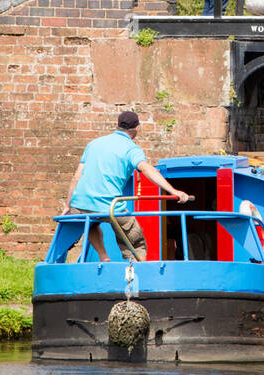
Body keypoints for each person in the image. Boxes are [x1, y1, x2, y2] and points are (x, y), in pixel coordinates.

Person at [60, 110, 190, 262]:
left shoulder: (93, 144)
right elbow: (147, 169)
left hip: (81, 204)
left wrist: (68, 207)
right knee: (134, 237)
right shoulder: (131, 149)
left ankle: (103, 257)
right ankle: (135, 268)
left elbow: (77, 176)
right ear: (137, 128)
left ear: (117, 125)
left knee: (90, 223)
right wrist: (173, 191)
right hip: (109, 205)